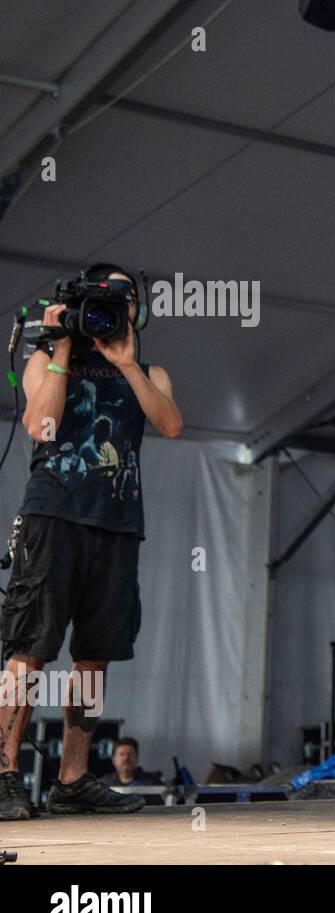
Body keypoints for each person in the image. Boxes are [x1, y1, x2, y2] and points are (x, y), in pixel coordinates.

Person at [0, 263, 182, 821]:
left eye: (124, 302)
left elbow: (171, 424)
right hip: (53, 517)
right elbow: (41, 425)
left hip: (118, 525)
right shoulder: (46, 360)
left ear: (137, 311)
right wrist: (59, 348)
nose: (114, 311)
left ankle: (73, 779)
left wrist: (126, 364)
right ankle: (5, 774)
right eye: (104, 301)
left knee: (95, 656)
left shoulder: (150, 371)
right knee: (28, 650)